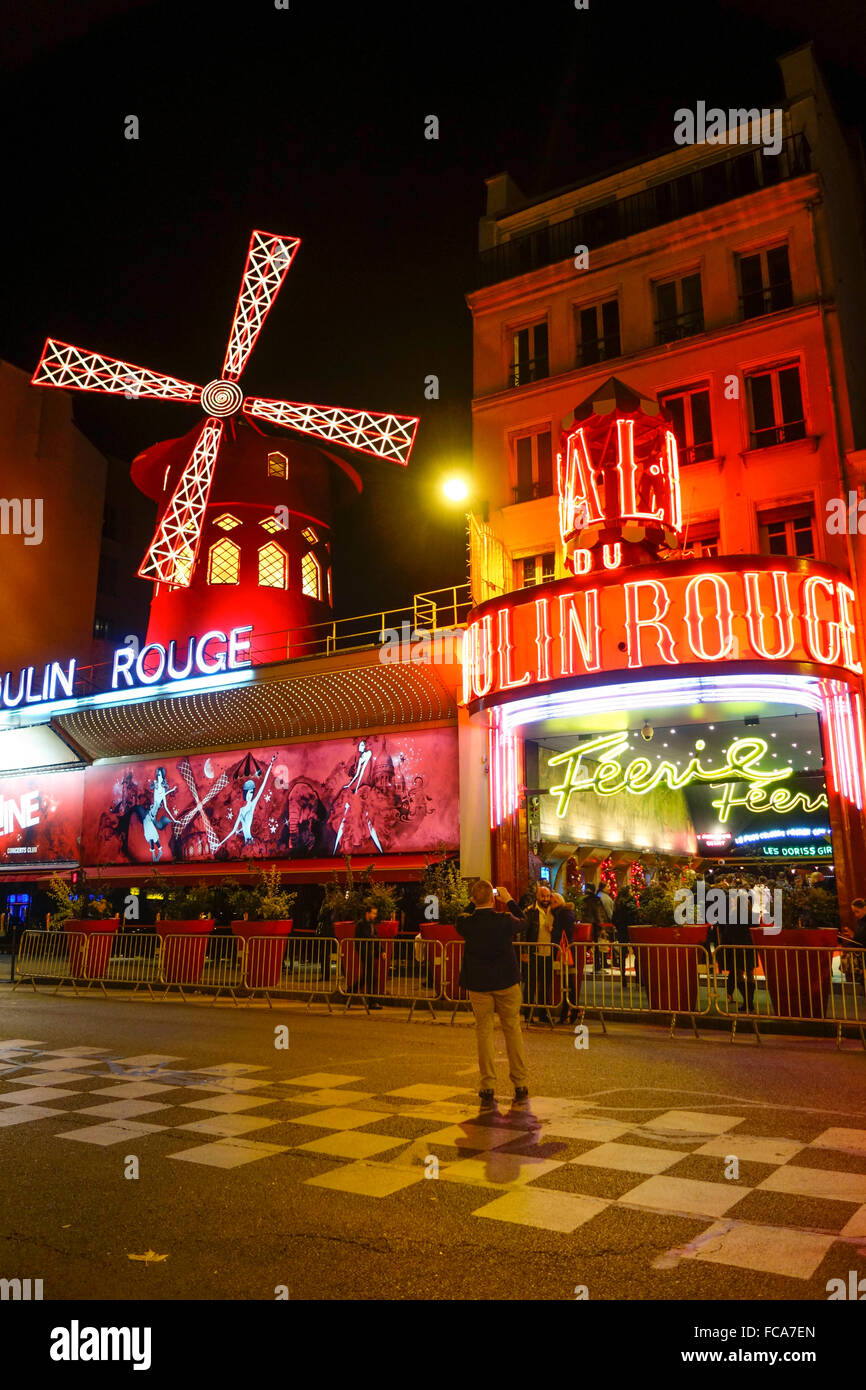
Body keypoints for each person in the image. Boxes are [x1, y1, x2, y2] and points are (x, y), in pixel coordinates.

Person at [455, 880, 528, 1107]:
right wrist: (509, 901)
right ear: (493, 898)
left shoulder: (467, 924)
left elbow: (459, 918)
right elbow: (526, 922)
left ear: (473, 899)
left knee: (484, 1032)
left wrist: (473, 902)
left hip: (479, 984)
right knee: (512, 1029)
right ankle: (520, 1082)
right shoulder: (504, 920)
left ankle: (487, 1084)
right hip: (506, 981)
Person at [522, 881, 556, 1020]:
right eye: (543, 896)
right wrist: (524, 951)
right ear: (537, 896)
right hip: (534, 953)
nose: (546, 899)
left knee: (546, 985)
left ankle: (543, 1013)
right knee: (530, 983)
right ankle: (528, 1013)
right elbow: (523, 932)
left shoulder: (554, 912)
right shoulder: (530, 912)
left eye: (548, 896)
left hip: (549, 953)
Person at [551, 892, 578, 1024]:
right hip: (564, 950)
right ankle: (569, 1011)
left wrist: (553, 930)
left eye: (555, 901)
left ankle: (569, 1011)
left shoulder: (563, 913)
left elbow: (566, 932)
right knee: (567, 982)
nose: (552, 903)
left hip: (564, 950)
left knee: (567, 982)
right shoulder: (561, 912)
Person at [353, 902, 383, 1009]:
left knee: (366, 976)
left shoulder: (371, 924)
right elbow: (369, 937)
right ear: (367, 913)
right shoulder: (361, 925)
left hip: (370, 952)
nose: (375, 915)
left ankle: (351, 991)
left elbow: (375, 937)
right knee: (372, 977)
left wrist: (381, 950)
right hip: (365, 952)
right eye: (373, 913)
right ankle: (372, 1002)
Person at [612, 886, 638, 981]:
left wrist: (619, 926)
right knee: (636, 953)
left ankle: (623, 977)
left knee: (622, 954)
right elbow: (635, 915)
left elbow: (613, 918)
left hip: (621, 930)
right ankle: (638, 978)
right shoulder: (631, 901)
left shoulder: (617, 903)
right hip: (631, 930)